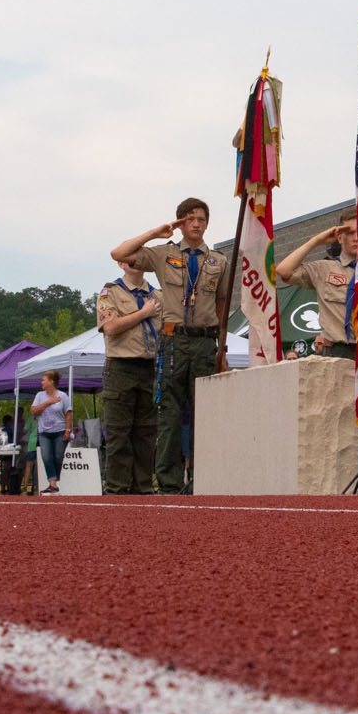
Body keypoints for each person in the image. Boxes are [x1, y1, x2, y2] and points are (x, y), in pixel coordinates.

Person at [112, 198, 230, 494]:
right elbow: (119, 253)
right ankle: (169, 484)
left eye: (201, 219)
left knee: (205, 416)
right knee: (169, 415)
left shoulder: (218, 260)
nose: (196, 224)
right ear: (180, 222)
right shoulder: (163, 254)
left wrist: (222, 348)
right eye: (189, 219)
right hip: (172, 341)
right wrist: (157, 232)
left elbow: (223, 304)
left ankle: (203, 481)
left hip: (205, 342)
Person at [276, 209, 358, 360]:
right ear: (339, 238)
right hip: (335, 353)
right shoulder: (323, 269)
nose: (356, 238)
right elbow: (284, 271)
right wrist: (316, 241)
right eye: (349, 233)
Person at [96, 258, 162, 495]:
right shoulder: (110, 292)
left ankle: (143, 487)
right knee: (118, 432)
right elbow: (110, 328)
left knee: (146, 432)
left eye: (139, 256)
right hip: (120, 367)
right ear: (121, 263)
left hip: (148, 367)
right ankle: (117, 489)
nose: (135, 261)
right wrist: (143, 313)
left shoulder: (157, 295)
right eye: (130, 258)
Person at [29, 371, 70, 495]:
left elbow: (68, 414)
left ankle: (53, 483)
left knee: (58, 457)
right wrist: (48, 402)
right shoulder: (40, 395)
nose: (41, 382)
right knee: (46, 457)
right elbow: (33, 410)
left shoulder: (63, 396)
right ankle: (53, 484)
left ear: (51, 382)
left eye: (43, 380)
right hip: (44, 432)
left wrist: (68, 430)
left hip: (60, 431)